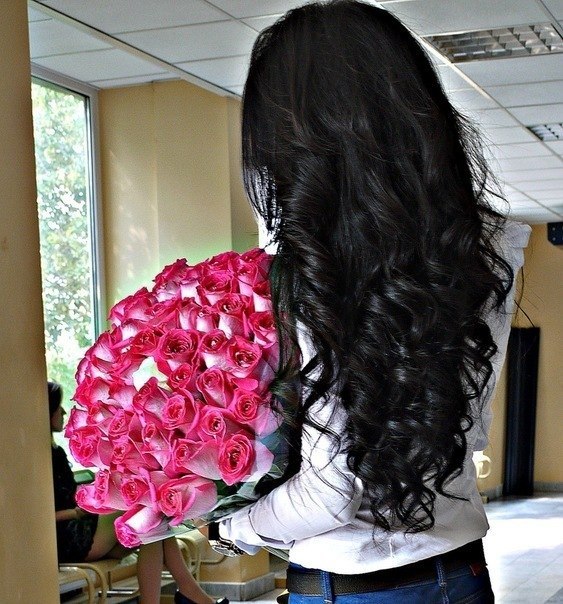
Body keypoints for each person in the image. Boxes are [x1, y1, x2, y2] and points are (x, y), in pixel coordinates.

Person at [217, 2, 531, 603]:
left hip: (355, 588)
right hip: (460, 574)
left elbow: (329, 493)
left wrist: (230, 529)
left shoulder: (311, 268)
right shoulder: (488, 243)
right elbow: (473, 431)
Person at [48, 381, 227, 604]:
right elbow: (39, 517)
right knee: (147, 518)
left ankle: (187, 594)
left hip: (83, 529)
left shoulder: (55, 452)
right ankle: (190, 595)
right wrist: (77, 512)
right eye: (58, 407)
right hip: (68, 537)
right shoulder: (43, 458)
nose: (64, 412)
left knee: (152, 526)